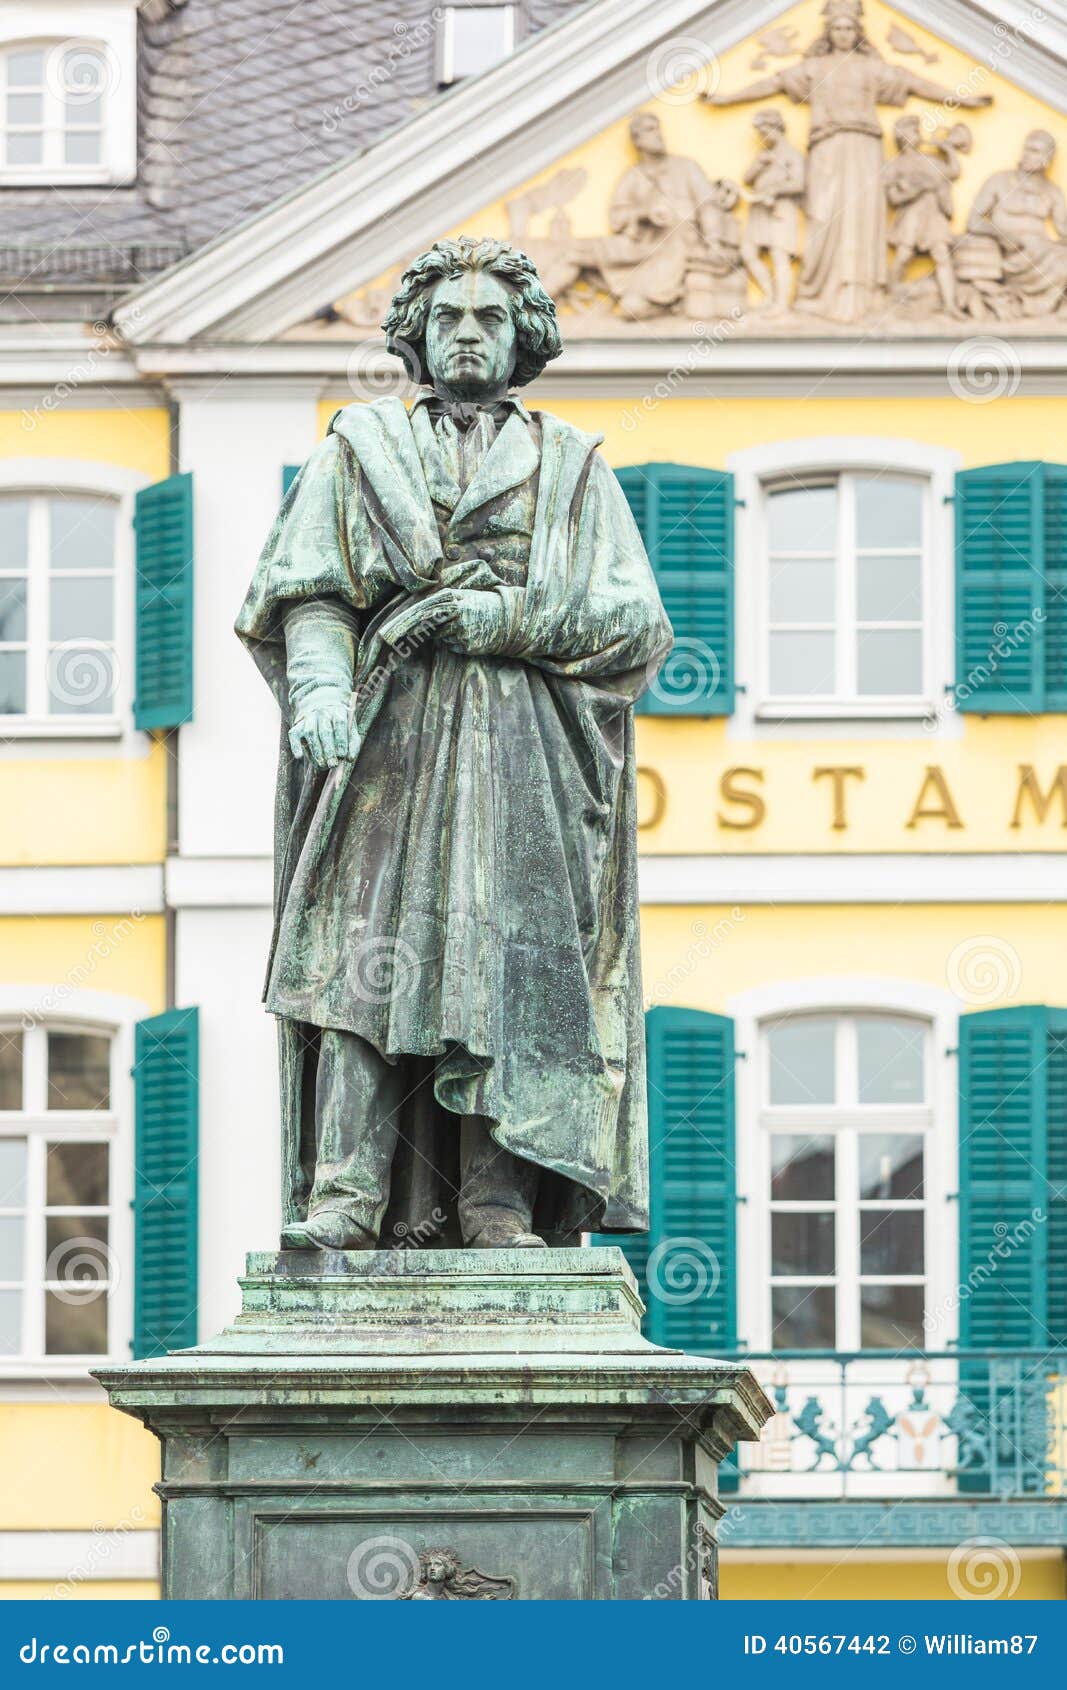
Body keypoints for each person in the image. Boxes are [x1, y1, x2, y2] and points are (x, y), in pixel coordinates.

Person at [235, 237, 672, 1252]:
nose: (467, 334)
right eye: (447, 318)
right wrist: (318, 687)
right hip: (386, 742)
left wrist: (502, 620)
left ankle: (495, 1204)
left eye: (488, 318)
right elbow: (311, 590)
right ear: (415, 336)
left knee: (509, 970)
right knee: (356, 957)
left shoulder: (572, 467)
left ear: (522, 336)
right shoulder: (358, 450)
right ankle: (346, 1192)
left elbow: (633, 623)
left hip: (527, 758)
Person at [705, 0, 990, 323]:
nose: (843, 33)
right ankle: (817, 296)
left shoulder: (872, 68)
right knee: (823, 215)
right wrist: (727, 98)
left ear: (858, 32)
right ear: (829, 32)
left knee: (862, 215)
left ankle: (864, 297)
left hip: (865, 149)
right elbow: (771, 83)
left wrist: (963, 98)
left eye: (849, 28)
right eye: (837, 28)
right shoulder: (814, 67)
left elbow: (916, 83)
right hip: (826, 149)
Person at [541, 109, 725, 318]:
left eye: (658, 129)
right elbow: (617, 219)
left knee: (632, 308)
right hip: (639, 244)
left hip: (674, 248)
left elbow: (709, 206)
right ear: (637, 140)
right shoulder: (633, 176)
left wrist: (714, 241)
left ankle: (666, 299)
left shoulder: (687, 168)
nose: (658, 134)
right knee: (574, 253)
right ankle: (533, 306)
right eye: (650, 130)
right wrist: (644, 213)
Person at [741, 109, 805, 313]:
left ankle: (781, 304)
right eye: (759, 132)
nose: (762, 136)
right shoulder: (764, 155)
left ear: (776, 128)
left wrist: (774, 190)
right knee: (747, 252)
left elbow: (799, 183)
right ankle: (768, 294)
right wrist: (759, 165)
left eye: (764, 131)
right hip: (759, 208)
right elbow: (747, 179)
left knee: (779, 255)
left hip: (781, 209)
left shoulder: (792, 155)